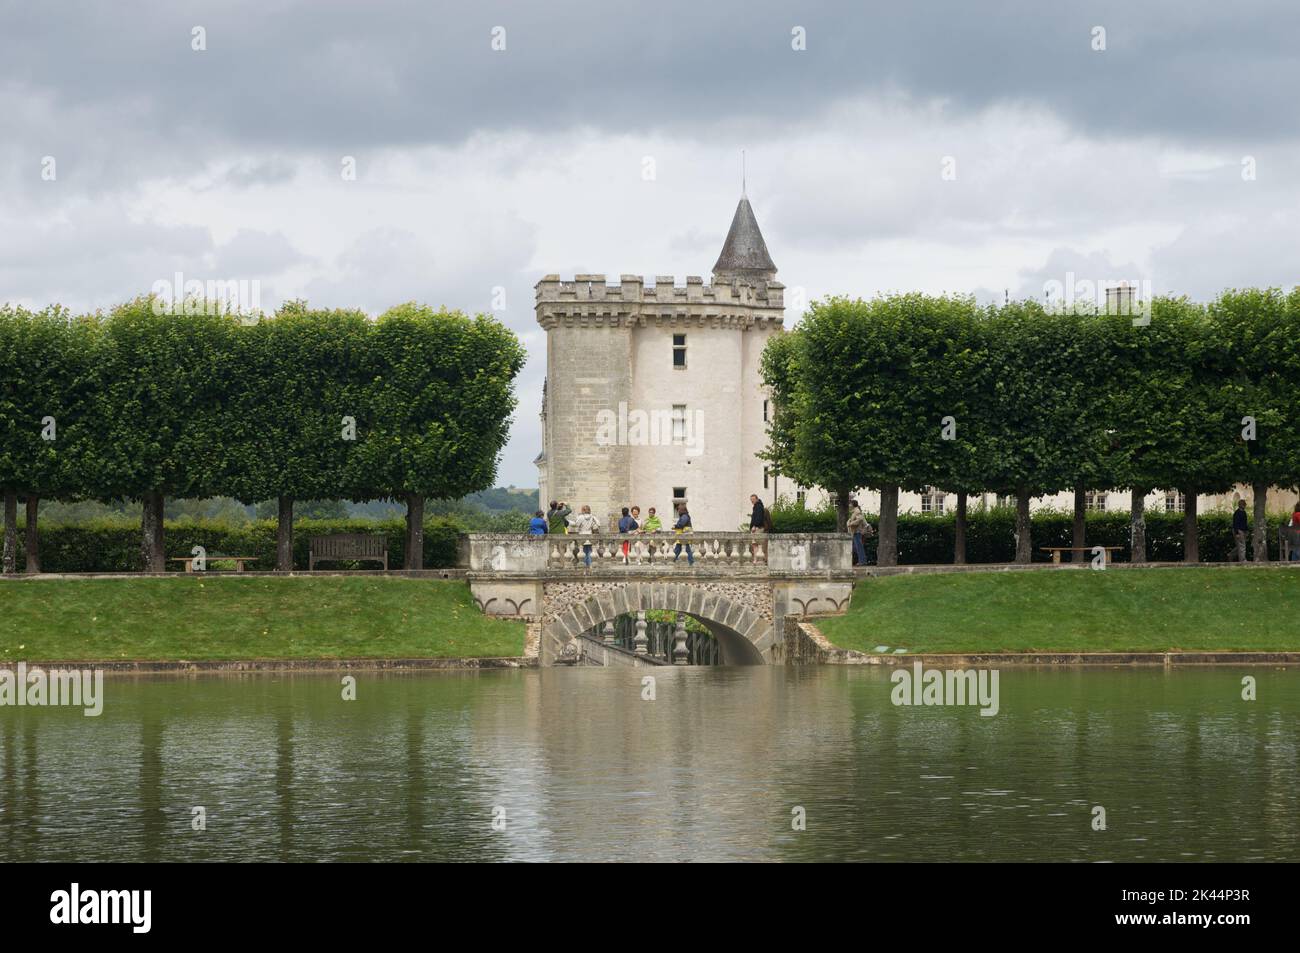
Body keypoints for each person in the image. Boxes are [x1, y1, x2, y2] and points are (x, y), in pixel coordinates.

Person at [847, 499, 869, 566]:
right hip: (855, 532)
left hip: (857, 531)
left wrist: (851, 523)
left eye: (850, 504)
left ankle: (862, 561)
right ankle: (862, 560)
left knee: (859, 547)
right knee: (856, 547)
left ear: (853, 504)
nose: (849, 505)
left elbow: (860, 519)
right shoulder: (855, 511)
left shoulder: (857, 511)